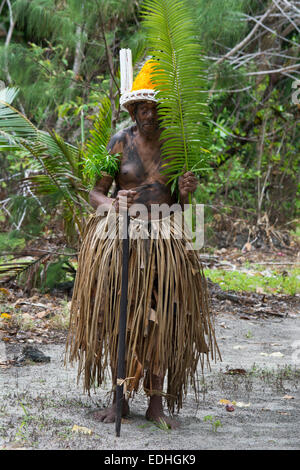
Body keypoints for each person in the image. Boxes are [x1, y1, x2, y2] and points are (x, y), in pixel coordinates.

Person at [66, 58, 220, 429]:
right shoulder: (120, 141)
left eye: (156, 107)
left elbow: (187, 211)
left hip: (166, 239)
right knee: (119, 316)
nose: (150, 114)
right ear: (133, 109)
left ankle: (155, 403)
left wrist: (185, 195)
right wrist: (113, 203)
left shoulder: (178, 145)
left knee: (162, 317)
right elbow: (95, 193)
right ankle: (118, 400)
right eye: (143, 108)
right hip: (123, 235)